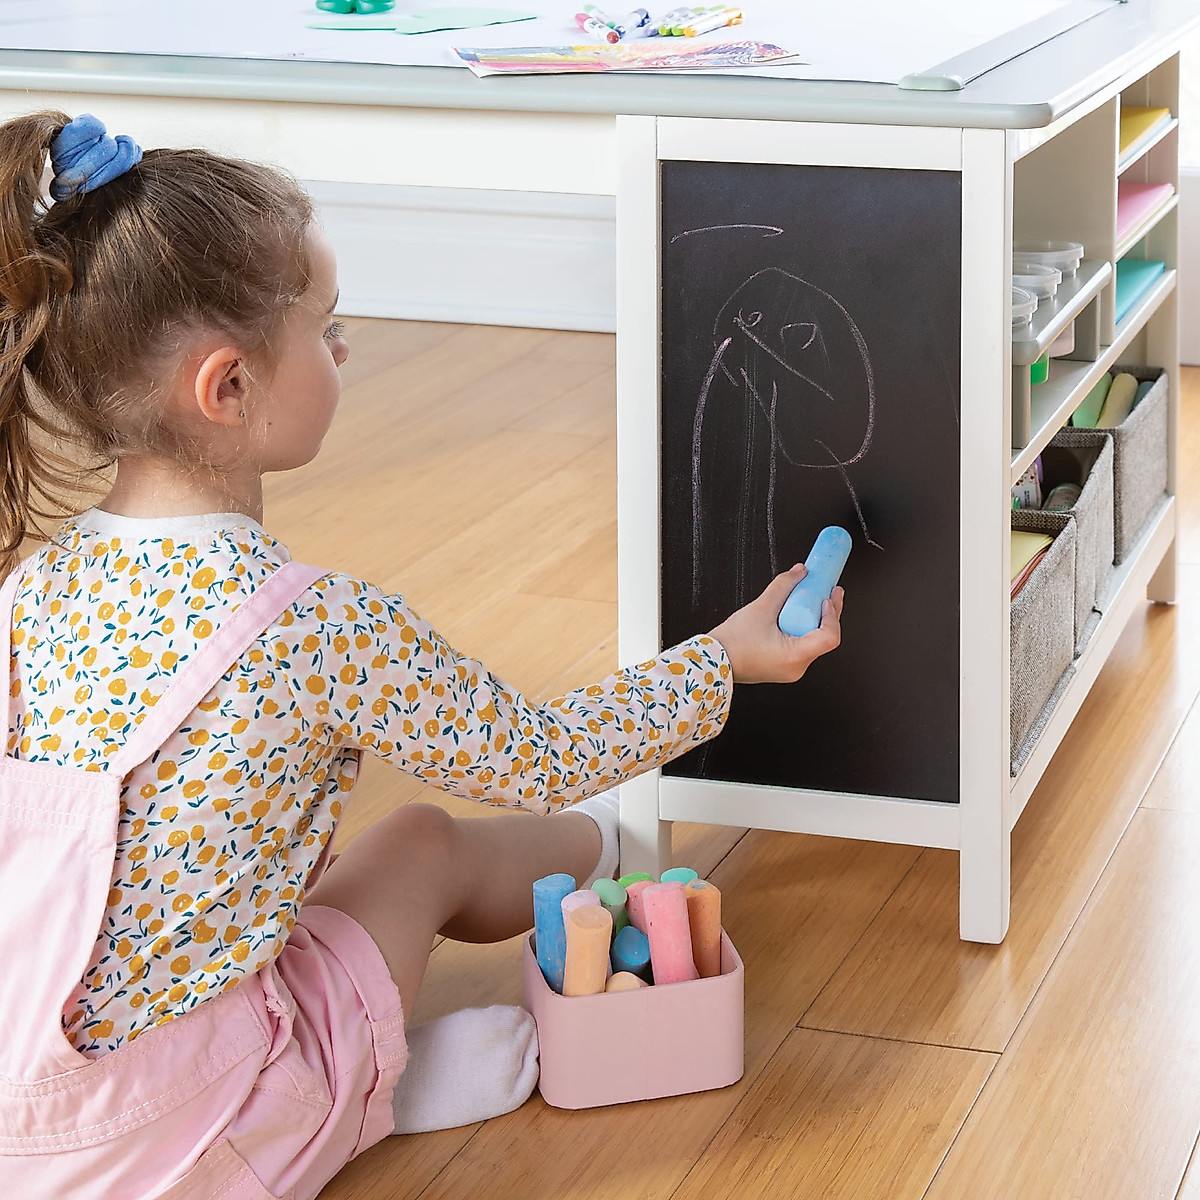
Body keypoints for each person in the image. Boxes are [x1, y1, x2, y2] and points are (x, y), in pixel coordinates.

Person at [0, 110, 844, 1200]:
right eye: (328, 328)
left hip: (27, 1115)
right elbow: (531, 754)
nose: (345, 349)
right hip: (194, 1140)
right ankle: (367, 1090)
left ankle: (562, 891)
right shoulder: (311, 625)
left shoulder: (31, 588)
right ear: (228, 387)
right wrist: (723, 661)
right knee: (422, 842)